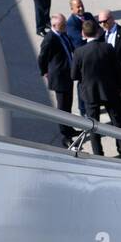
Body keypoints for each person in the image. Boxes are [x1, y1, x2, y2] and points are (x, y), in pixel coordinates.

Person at [70, 19, 121, 159]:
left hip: (90, 93)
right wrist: (120, 86)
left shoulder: (79, 52)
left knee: (92, 125)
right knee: (116, 121)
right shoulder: (107, 48)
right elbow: (117, 70)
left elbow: (74, 75)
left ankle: (98, 154)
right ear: (98, 32)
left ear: (83, 34)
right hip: (109, 90)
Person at [38, 13, 78, 147]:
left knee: (68, 104)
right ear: (54, 26)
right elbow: (42, 57)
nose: (66, 26)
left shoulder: (63, 33)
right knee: (62, 107)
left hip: (68, 74)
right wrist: (44, 71)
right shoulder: (50, 39)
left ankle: (69, 128)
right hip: (59, 77)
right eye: (63, 24)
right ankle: (65, 135)